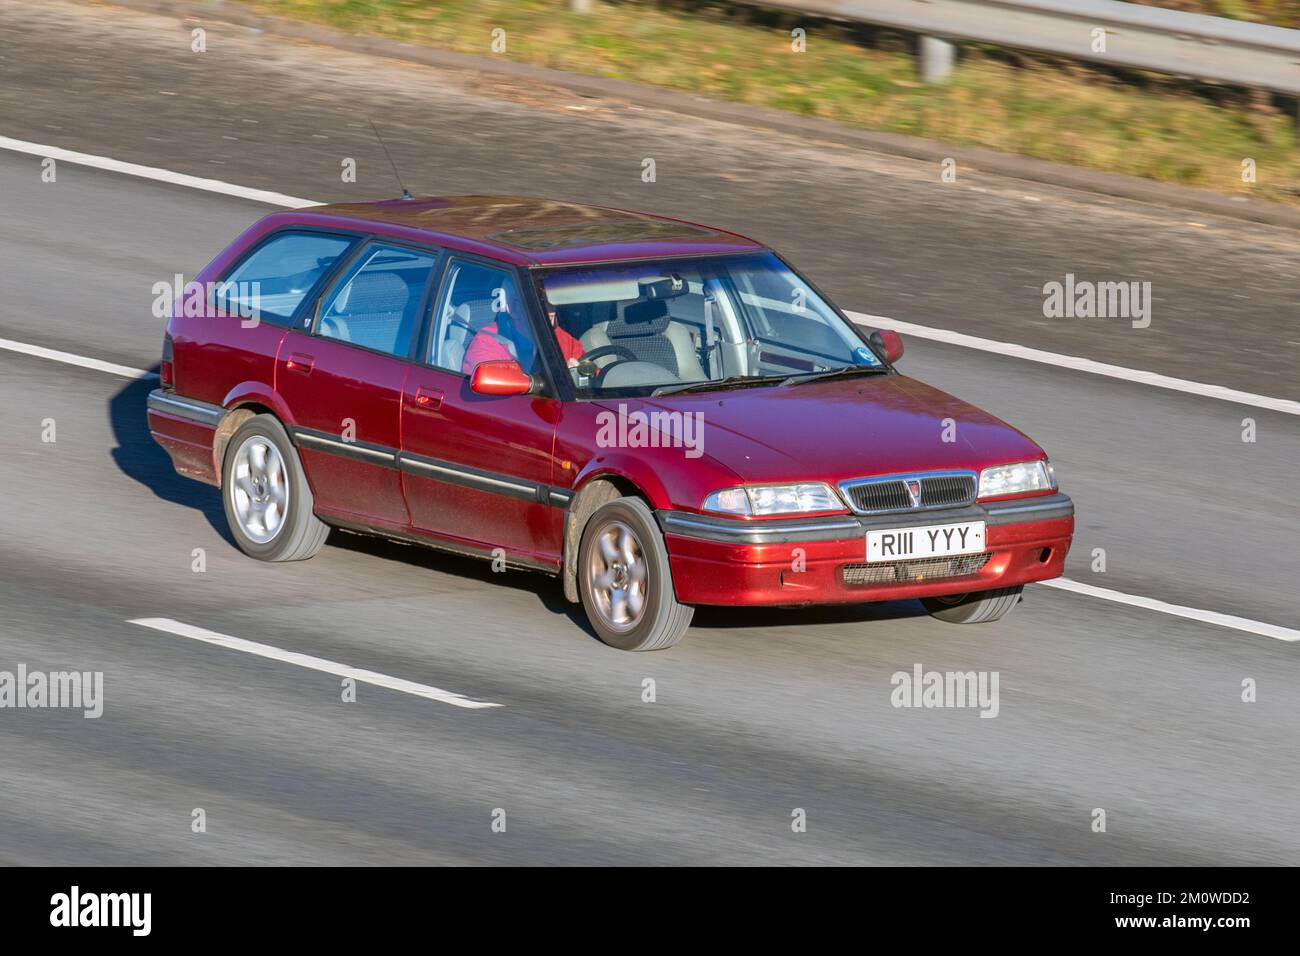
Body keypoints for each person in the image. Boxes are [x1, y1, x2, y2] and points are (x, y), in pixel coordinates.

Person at [461, 296, 584, 375]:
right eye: (542, 302)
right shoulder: (487, 342)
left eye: (553, 301)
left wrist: (580, 373)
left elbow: (594, 374)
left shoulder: (561, 337)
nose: (551, 310)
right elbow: (492, 394)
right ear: (513, 308)